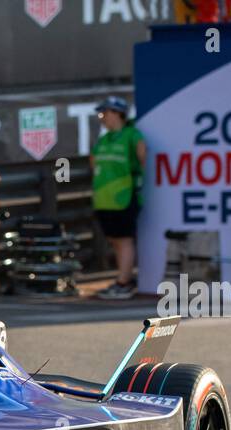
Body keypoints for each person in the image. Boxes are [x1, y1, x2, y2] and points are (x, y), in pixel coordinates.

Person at [90, 95, 146, 300]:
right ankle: (122, 277)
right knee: (113, 238)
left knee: (124, 239)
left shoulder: (132, 135)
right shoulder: (103, 139)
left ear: (117, 113)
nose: (102, 117)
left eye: (105, 113)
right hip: (104, 199)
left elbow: (143, 160)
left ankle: (125, 281)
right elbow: (94, 164)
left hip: (124, 197)